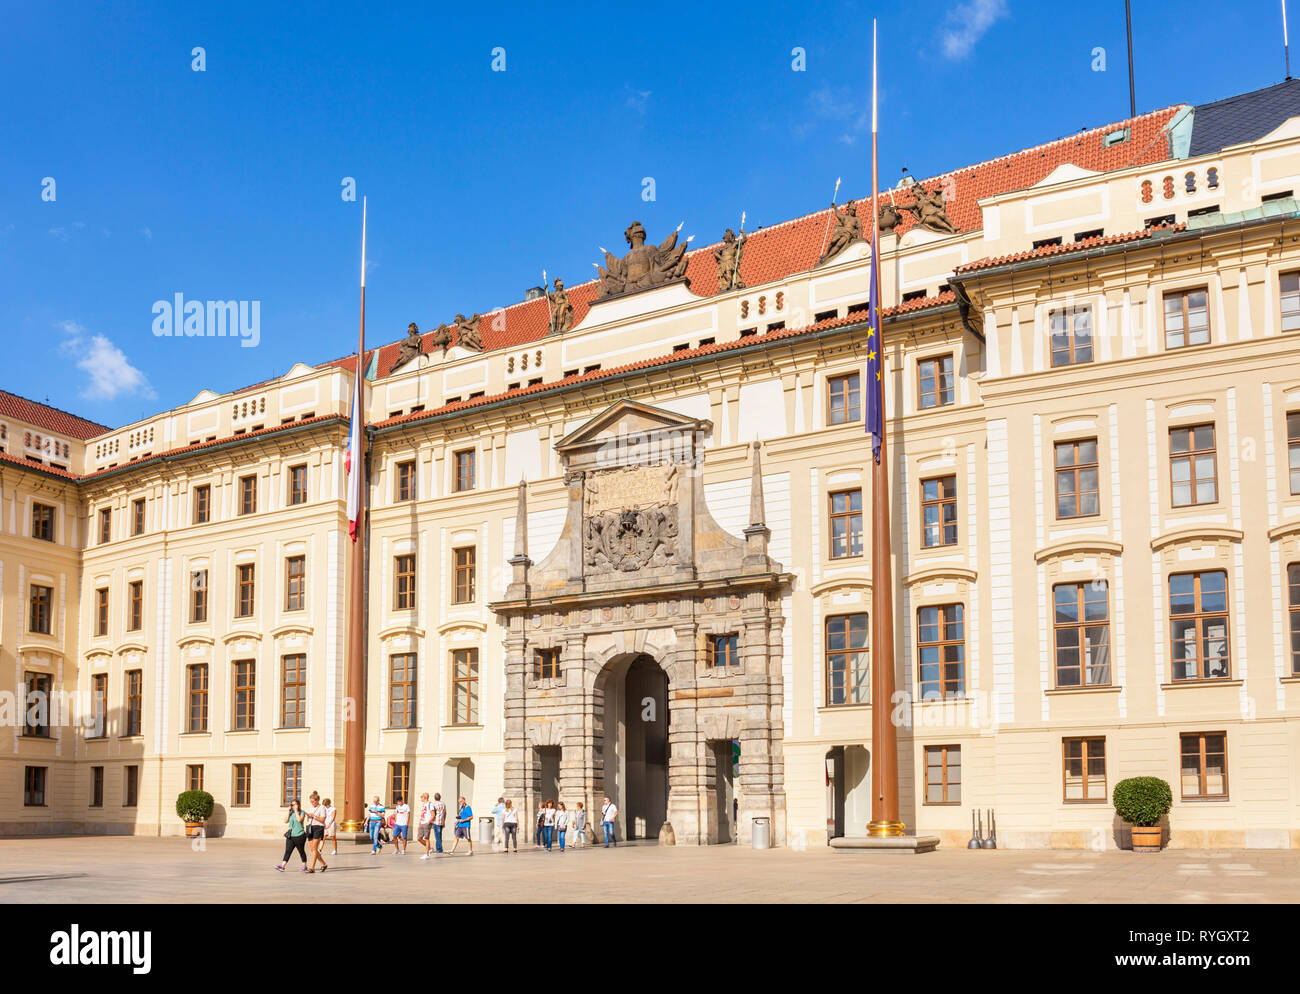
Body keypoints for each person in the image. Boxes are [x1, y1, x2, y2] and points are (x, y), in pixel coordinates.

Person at [276, 799, 309, 872]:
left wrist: (296, 811)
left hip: (300, 835)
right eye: (292, 805)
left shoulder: (302, 812)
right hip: (290, 836)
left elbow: (299, 820)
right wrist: (288, 812)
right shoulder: (291, 813)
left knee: (301, 851)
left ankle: (304, 866)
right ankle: (282, 866)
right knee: (288, 851)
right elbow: (285, 821)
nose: (293, 806)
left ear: (298, 805)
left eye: (294, 805)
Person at [305, 791, 328, 872]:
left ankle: (312, 867)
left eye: (313, 801)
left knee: (315, 848)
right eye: (311, 801)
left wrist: (314, 816)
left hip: (318, 828)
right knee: (312, 849)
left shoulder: (322, 808)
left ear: (317, 800)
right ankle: (324, 864)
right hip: (310, 827)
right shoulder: (311, 807)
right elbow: (310, 817)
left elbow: (322, 819)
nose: (312, 803)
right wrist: (308, 817)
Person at [417, 792, 435, 860]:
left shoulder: (430, 804)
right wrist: (419, 823)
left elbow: (433, 815)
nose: (421, 799)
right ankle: (430, 849)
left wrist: (429, 822)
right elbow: (422, 815)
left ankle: (427, 854)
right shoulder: (423, 805)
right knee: (419, 838)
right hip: (422, 822)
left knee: (426, 838)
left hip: (427, 823)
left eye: (421, 797)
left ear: (424, 797)